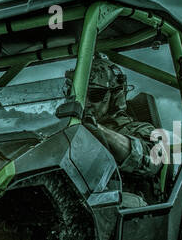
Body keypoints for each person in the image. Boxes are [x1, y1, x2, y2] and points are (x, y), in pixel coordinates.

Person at [70, 55, 163, 205]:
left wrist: (96, 129)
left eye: (94, 95)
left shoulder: (141, 129)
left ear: (115, 95)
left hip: (124, 211)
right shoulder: (69, 129)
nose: (85, 102)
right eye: (80, 93)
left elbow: (150, 160)